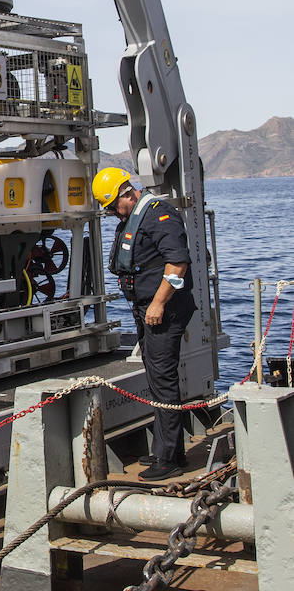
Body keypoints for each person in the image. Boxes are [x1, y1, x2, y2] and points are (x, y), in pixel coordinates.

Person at [92, 167, 196, 480]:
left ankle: (169, 459)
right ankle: (171, 450)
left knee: (163, 380)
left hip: (164, 311)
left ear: (126, 194)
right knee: (156, 378)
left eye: (113, 207)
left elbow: (177, 264)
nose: (113, 213)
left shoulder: (159, 215)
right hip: (146, 309)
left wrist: (159, 302)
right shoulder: (134, 218)